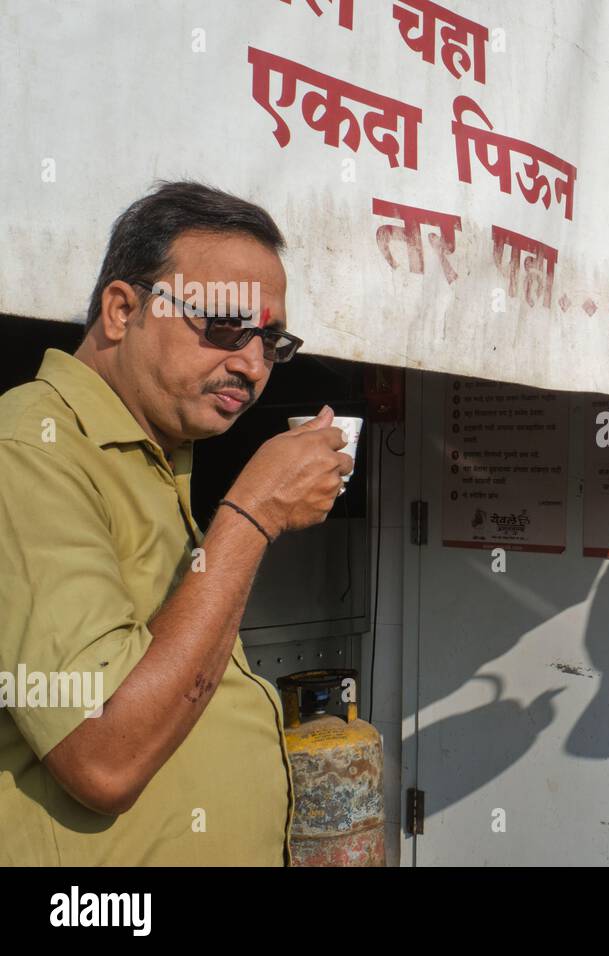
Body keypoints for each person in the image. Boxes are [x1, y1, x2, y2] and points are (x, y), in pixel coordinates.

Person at [0, 182, 353, 865]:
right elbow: (102, 758)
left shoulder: (159, 459)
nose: (251, 363)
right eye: (224, 325)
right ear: (121, 310)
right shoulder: (31, 450)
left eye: (271, 342)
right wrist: (253, 514)